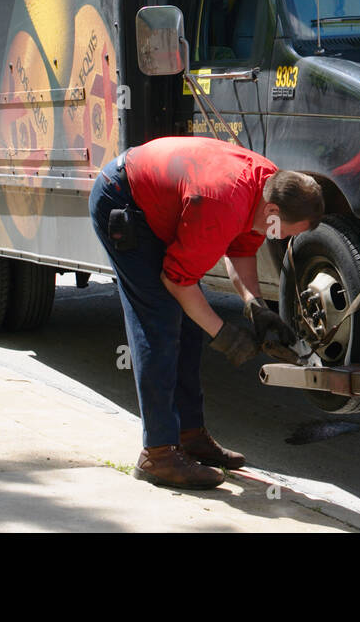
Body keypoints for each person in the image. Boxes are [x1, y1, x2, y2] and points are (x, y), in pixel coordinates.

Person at [88, 136, 324, 489]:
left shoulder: (268, 189)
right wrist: (224, 335)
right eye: (289, 233)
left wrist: (255, 307)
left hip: (165, 201)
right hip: (123, 199)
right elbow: (177, 281)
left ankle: (188, 434)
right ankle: (158, 454)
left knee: (188, 327)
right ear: (274, 213)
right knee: (160, 325)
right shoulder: (222, 202)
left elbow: (241, 251)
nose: (285, 240)